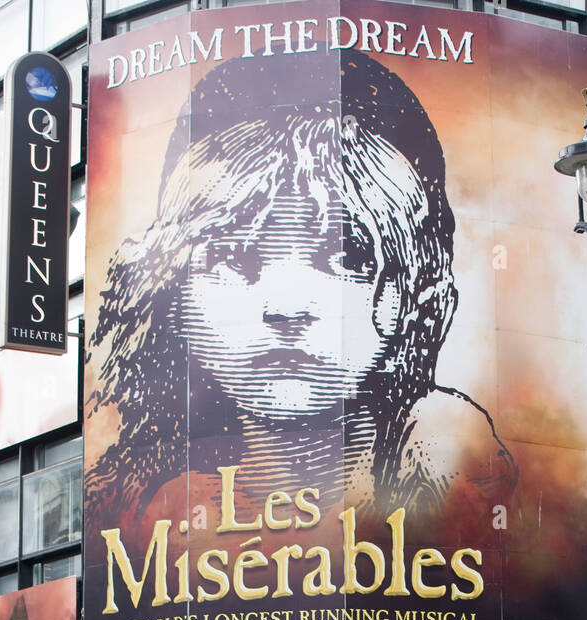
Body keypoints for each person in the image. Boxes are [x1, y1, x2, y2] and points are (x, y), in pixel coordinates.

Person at [87, 50, 516, 532]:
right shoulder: (155, 511)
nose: (287, 307)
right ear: (175, 295)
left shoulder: (456, 464)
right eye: (234, 256)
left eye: (349, 258)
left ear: (423, 303)